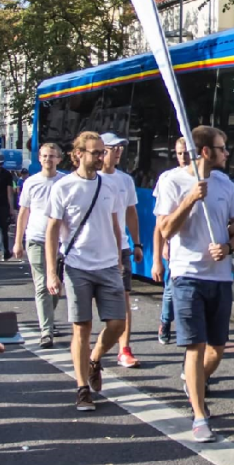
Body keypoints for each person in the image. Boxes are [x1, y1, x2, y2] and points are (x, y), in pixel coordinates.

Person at [155, 126, 234, 443]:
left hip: (220, 276)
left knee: (218, 349)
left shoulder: (225, 183)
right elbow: (166, 230)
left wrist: (227, 247)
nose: (227, 153)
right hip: (186, 276)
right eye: (222, 148)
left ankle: (193, 381)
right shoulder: (171, 181)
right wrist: (190, 200)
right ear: (206, 152)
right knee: (195, 348)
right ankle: (200, 416)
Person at [45, 131, 126, 412]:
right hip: (77, 265)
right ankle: (82, 388)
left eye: (102, 152)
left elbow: (116, 224)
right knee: (82, 328)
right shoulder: (64, 187)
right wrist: (51, 272)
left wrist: (119, 256)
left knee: (118, 324)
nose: (101, 157)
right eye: (95, 152)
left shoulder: (110, 186)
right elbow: (53, 230)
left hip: (107, 265)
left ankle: (95, 358)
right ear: (78, 154)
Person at [13, 142, 65, 348]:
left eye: (52, 156)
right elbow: (23, 212)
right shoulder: (31, 182)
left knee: (56, 285)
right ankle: (46, 331)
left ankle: (49, 321)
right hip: (35, 238)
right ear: (39, 159)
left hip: (60, 241)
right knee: (43, 284)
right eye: (44, 156)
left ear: (59, 159)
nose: (47, 160)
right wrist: (18, 241)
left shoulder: (65, 182)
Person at [98, 132, 143, 369]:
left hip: (121, 248)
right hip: (94, 251)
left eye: (120, 148)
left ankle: (124, 348)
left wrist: (136, 243)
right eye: (113, 148)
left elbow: (131, 213)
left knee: (124, 299)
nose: (117, 152)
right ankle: (91, 348)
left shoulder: (125, 180)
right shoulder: (91, 178)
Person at [152, 137, 190, 345]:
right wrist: (163, 247)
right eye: (179, 153)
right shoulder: (168, 178)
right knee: (170, 287)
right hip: (174, 239)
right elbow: (161, 220)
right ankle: (165, 322)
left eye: (186, 152)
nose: (183, 156)